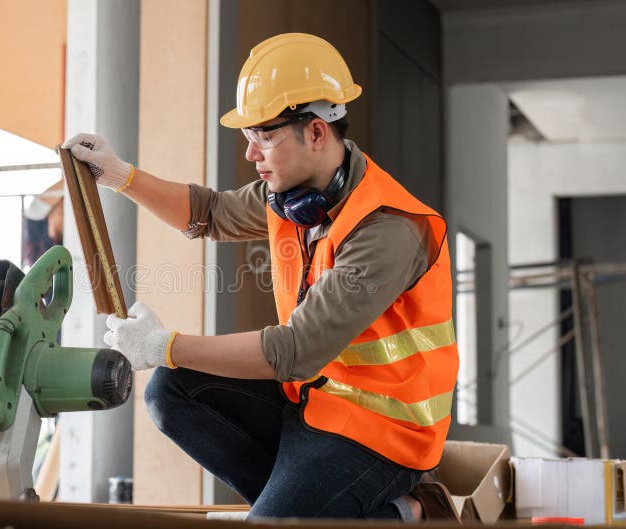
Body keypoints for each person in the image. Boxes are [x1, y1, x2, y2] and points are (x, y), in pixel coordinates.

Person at [63, 32, 459, 521]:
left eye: (264, 137)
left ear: (316, 132)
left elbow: (294, 351)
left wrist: (162, 344)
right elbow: (209, 213)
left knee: (268, 513)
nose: (251, 154)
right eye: (249, 136)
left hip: (384, 434)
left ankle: (409, 510)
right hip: (315, 403)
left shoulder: (389, 229)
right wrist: (120, 175)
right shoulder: (294, 196)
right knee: (171, 389)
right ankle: (302, 508)